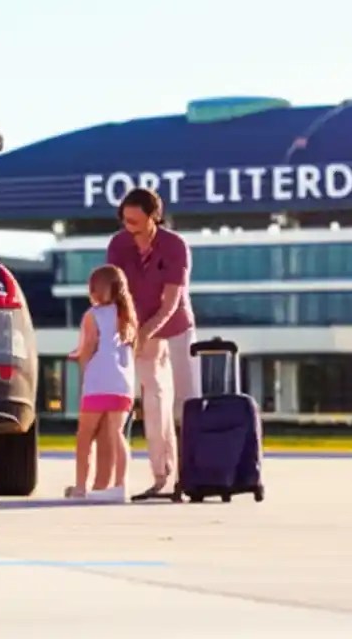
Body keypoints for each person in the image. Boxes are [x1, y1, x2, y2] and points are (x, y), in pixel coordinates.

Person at [105, 187, 200, 498]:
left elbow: (172, 300)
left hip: (175, 327)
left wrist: (147, 331)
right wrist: (130, 330)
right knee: (154, 403)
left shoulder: (175, 246)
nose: (128, 224)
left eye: (134, 219)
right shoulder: (119, 245)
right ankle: (162, 476)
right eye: (124, 219)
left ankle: (194, 474)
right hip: (140, 327)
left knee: (186, 402)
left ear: (153, 217)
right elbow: (116, 292)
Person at [67, 264, 138, 502]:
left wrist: (81, 360)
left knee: (84, 436)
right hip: (122, 385)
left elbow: (89, 346)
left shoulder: (92, 315)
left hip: (98, 382)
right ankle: (121, 485)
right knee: (117, 434)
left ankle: (80, 487)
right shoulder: (127, 316)